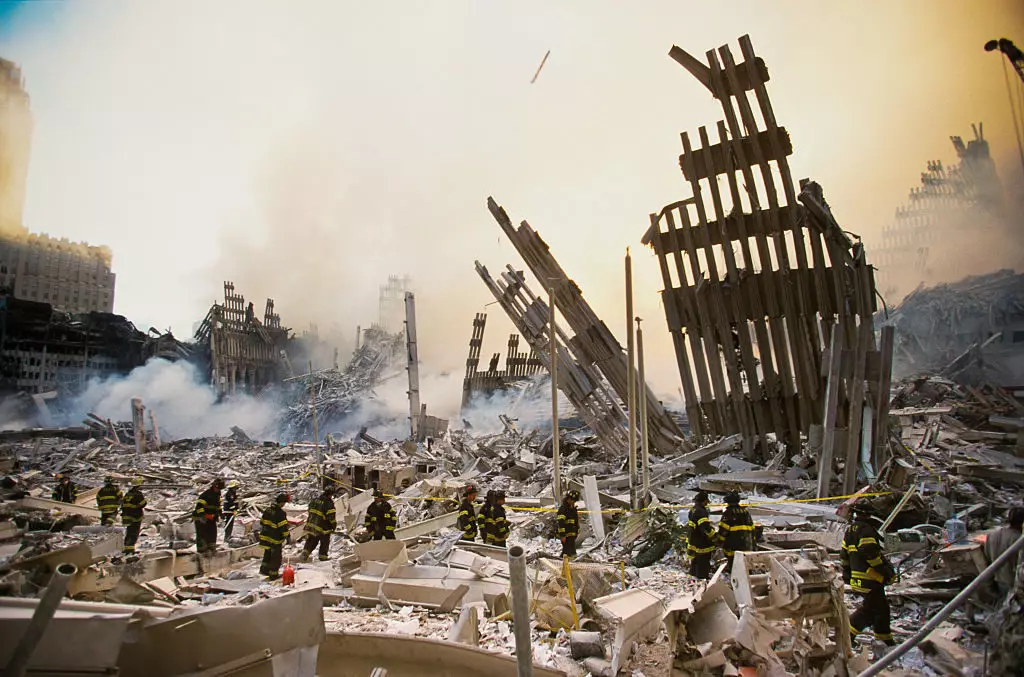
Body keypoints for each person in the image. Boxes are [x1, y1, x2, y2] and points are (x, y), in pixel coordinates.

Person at [842, 503, 896, 645]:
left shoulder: (850, 530)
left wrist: (847, 575)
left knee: (881, 609)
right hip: (870, 578)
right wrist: (885, 571)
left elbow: (844, 555)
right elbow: (870, 554)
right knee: (870, 610)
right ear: (868, 514)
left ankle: (885, 640)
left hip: (858, 578)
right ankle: (847, 636)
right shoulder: (866, 530)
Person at [984, 506, 1024, 598]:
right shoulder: (1019, 540)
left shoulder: (992, 535)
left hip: (999, 582)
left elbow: (987, 558)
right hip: (1015, 585)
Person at [717, 491, 755, 573]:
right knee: (746, 568)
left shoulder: (727, 513)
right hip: (747, 545)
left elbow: (723, 531)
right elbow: (752, 529)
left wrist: (719, 542)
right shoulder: (745, 512)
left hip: (733, 546)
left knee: (734, 568)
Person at [302, 484, 337, 562]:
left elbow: (309, 509)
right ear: (331, 494)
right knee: (324, 542)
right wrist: (333, 526)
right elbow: (331, 518)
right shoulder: (329, 504)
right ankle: (323, 557)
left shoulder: (315, 500)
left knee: (311, 541)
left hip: (311, 525)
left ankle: (304, 553)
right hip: (323, 527)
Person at [259, 493, 290, 580]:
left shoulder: (268, 510)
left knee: (267, 554)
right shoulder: (280, 513)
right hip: (275, 538)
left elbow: (262, 522)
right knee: (275, 557)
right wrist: (288, 537)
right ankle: (273, 574)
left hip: (265, 536)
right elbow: (283, 528)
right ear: (282, 503)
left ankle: (264, 570)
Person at [687, 491, 716, 580]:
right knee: (703, 561)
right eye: (706, 501)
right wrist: (714, 535)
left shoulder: (693, 509)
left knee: (695, 560)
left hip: (694, 538)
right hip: (701, 541)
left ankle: (693, 575)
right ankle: (702, 578)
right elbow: (705, 528)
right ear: (704, 501)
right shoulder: (701, 511)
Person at [193, 478, 224, 555]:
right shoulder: (206, 495)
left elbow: (218, 506)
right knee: (202, 534)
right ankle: (202, 551)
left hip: (211, 518)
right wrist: (202, 516)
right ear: (214, 487)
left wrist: (220, 513)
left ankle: (211, 548)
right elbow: (199, 506)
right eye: (218, 488)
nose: (219, 490)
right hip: (200, 518)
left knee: (212, 533)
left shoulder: (217, 495)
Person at [121, 477, 147, 555]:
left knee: (129, 532)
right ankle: (130, 550)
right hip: (135, 516)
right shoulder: (138, 494)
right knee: (134, 533)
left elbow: (123, 504)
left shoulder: (127, 494)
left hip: (127, 516)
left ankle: (126, 548)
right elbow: (143, 504)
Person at [557, 490, 580, 557]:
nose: (574, 502)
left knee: (570, 552)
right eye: (573, 501)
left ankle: (569, 564)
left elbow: (575, 521)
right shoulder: (563, 509)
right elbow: (560, 523)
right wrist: (563, 535)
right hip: (566, 536)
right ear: (568, 499)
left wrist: (577, 531)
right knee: (568, 553)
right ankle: (566, 565)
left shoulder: (573, 509)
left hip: (572, 536)